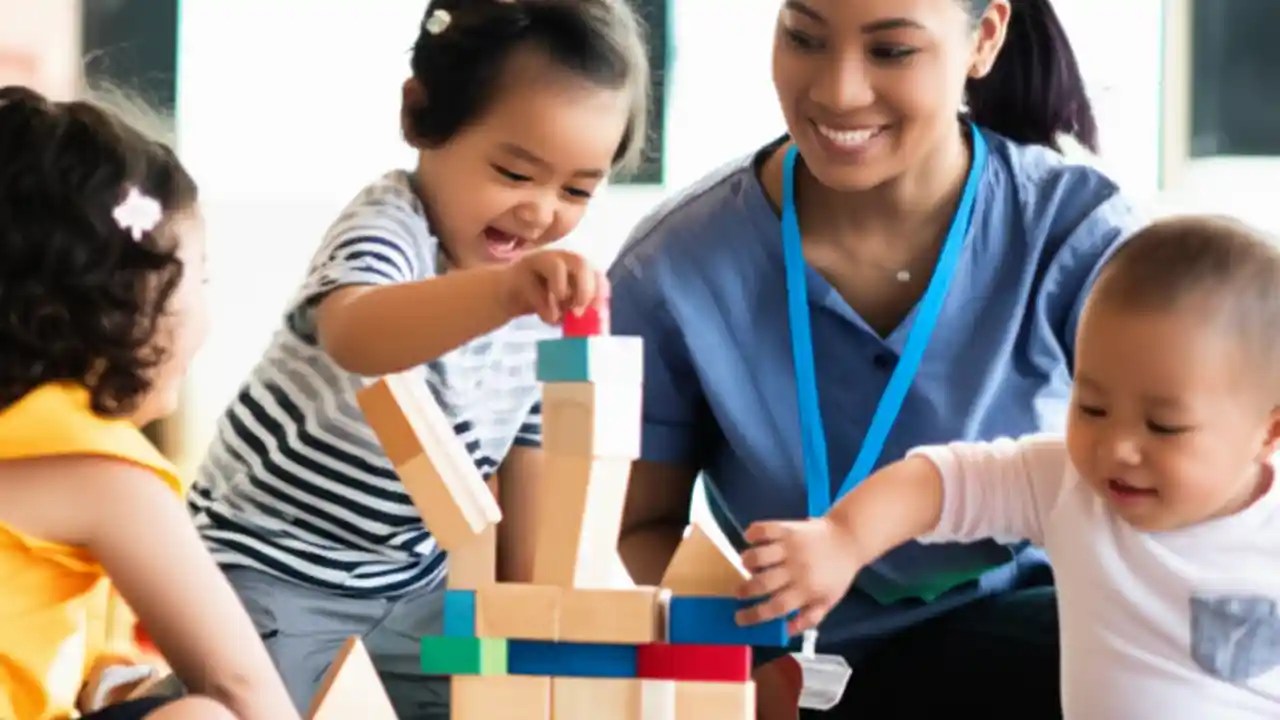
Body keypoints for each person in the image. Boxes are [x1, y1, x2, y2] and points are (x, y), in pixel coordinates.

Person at [608, 0, 1140, 716]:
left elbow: (1197, 478)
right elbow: (631, 531)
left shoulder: (1080, 238)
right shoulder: (672, 268)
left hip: (1034, 651)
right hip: (780, 670)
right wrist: (728, 663)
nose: (837, 91)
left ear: (983, 40)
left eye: (891, 52)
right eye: (804, 38)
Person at [184, 0, 650, 716]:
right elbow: (356, 334)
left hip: (413, 591)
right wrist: (498, 293)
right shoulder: (391, 226)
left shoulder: (539, 302)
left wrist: (530, 633)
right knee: (255, 704)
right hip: (269, 568)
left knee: (499, 693)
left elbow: (525, 499)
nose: (540, 213)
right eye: (514, 172)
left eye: (577, 189)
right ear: (421, 115)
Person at [737, 215, 1280, 719]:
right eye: (1090, 408)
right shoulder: (1068, 483)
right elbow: (940, 484)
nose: (1116, 448)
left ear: (1268, 431)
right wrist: (843, 537)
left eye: (1163, 426)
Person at [0, 85, 298, 720]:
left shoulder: (25, 434)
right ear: (126, 304)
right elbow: (246, 690)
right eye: (204, 277)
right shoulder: (107, 476)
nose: (209, 315)